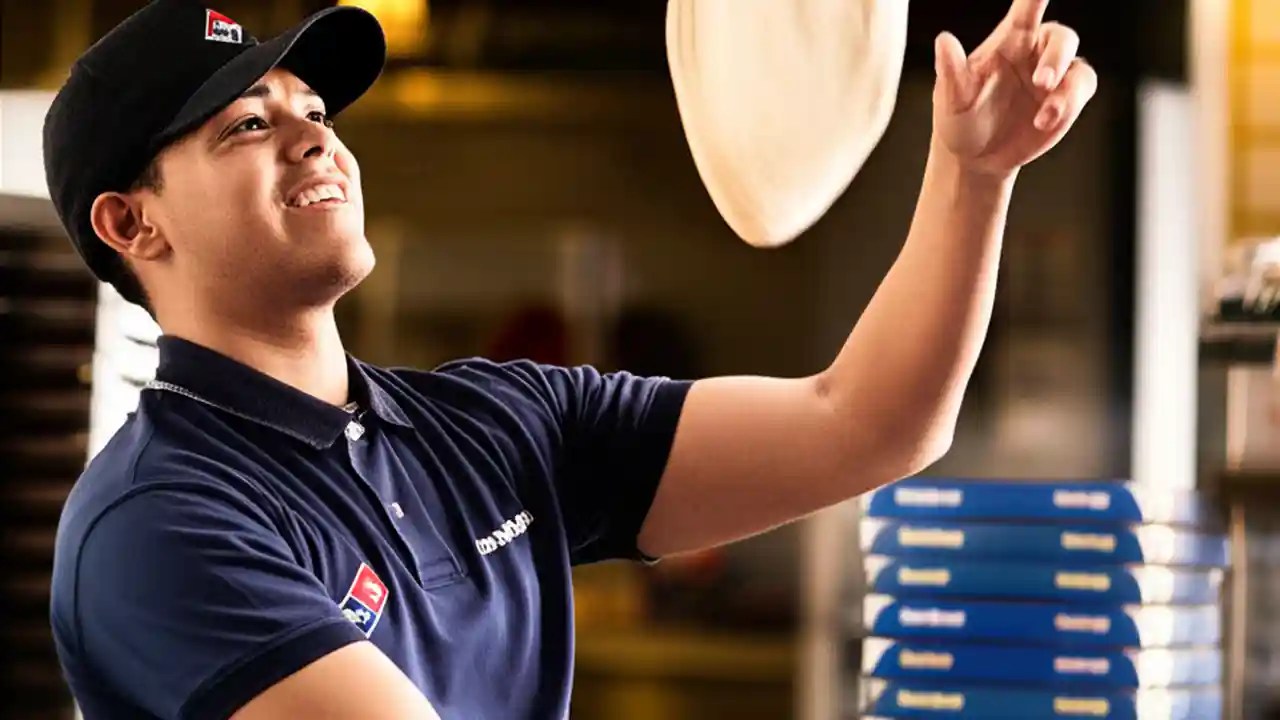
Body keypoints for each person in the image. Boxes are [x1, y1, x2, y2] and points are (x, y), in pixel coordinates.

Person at [42, 0, 1095, 718]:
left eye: (316, 111)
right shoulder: (160, 523)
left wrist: (975, 172)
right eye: (244, 125)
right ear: (133, 224)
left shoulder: (493, 426)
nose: (314, 138)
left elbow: (865, 422)